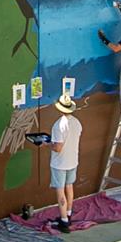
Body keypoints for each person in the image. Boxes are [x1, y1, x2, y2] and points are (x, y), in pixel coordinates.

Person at [47, 92, 83, 232]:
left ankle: (63, 221)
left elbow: (58, 148)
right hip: (73, 160)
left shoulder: (58, 125)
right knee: (69, 187)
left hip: (59, 163)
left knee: (60, 191)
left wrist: (47, 144)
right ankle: (68, 214)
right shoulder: (77, 122)